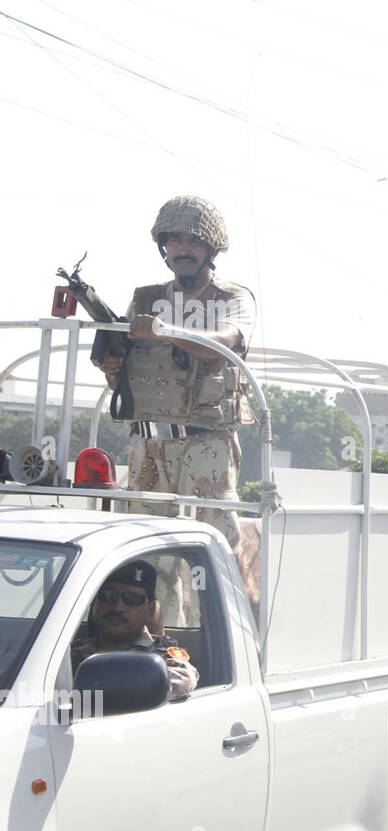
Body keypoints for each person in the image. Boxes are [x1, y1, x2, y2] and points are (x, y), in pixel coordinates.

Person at [98, 196, 256, 565]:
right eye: (175, 241)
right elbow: (125, 375)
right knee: (143, 551)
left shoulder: (231, 297)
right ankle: (155, 624)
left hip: (205, 441)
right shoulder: (146, 298)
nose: (182, 250)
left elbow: (225, 342)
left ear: (211, 248)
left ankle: (219, 622)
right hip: (148, 443)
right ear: (164, 247)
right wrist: (112, 367)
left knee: (218, 547)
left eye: (193, 241)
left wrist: (162, 329)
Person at [71, 560, 198, 701]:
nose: (117, 607)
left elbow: (183, 680)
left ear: (150, 610)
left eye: (131, 599)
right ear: (95, 603)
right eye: (108, 595)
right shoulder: (69, 652)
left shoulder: (161, 655)